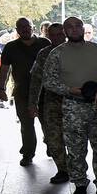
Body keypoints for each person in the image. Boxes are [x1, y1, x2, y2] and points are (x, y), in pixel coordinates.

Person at [41, 16, 97, 194]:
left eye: (77, 26)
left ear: (83, 28)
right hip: (73, 106)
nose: (74, 29)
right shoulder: (57, 53)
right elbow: (48, 80)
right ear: (65, 31)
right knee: (75, 149)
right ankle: (80, 183)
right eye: (69, 27)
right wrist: (69, 90)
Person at [0, 17, 47, 165]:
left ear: (33, 27)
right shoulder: (11, 47)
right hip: (22, 92)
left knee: (48, 123)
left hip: (45, 92)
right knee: (26, 125)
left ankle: (52, 146)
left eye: (27, 26)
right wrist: (1, 88)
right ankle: (28, 153)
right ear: (17, 30)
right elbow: (4, 69)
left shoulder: (45, 43)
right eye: (21, 27)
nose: (25, 29)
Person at [28, 22, 69, 182]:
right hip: (51, 102)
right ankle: (63, 170)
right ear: (48, 36)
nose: (57, 37)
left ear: (65, 34)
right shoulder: (44, 54)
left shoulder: (75, 50)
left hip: (74, 101)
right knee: (53, 137)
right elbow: (36, 80)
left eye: (60, 34)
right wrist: (32, 104)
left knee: (75, 138)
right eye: (53, 35)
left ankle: (77, 170)